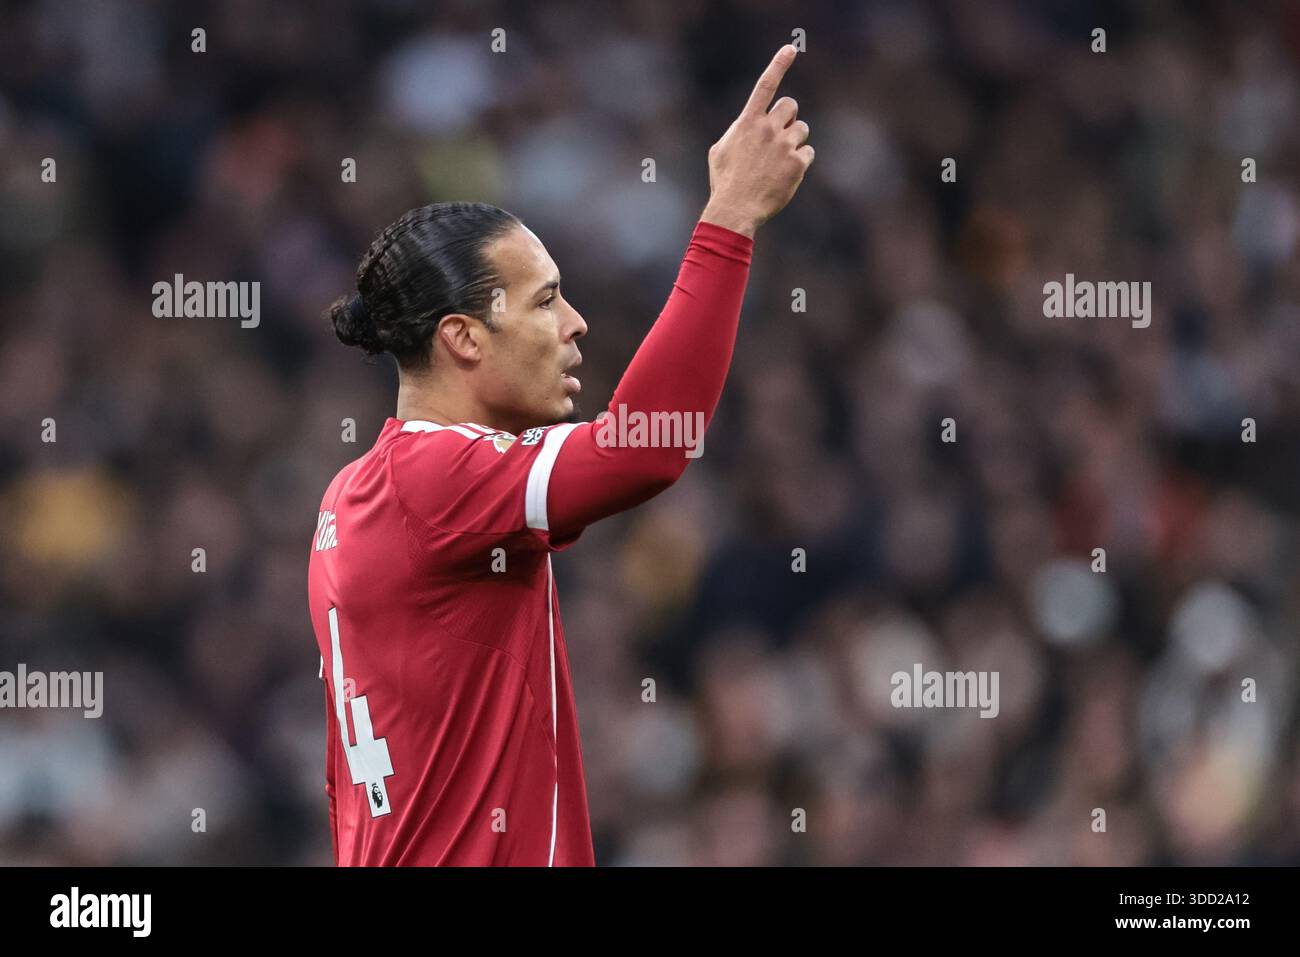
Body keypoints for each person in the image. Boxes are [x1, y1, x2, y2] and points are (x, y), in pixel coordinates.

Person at [307, 44, 813, 865]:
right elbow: (643, 448)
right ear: (464, 337)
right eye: (545, 301)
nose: (576, 323)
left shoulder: (358, 491)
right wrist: (729, 220)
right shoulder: (437, 481)